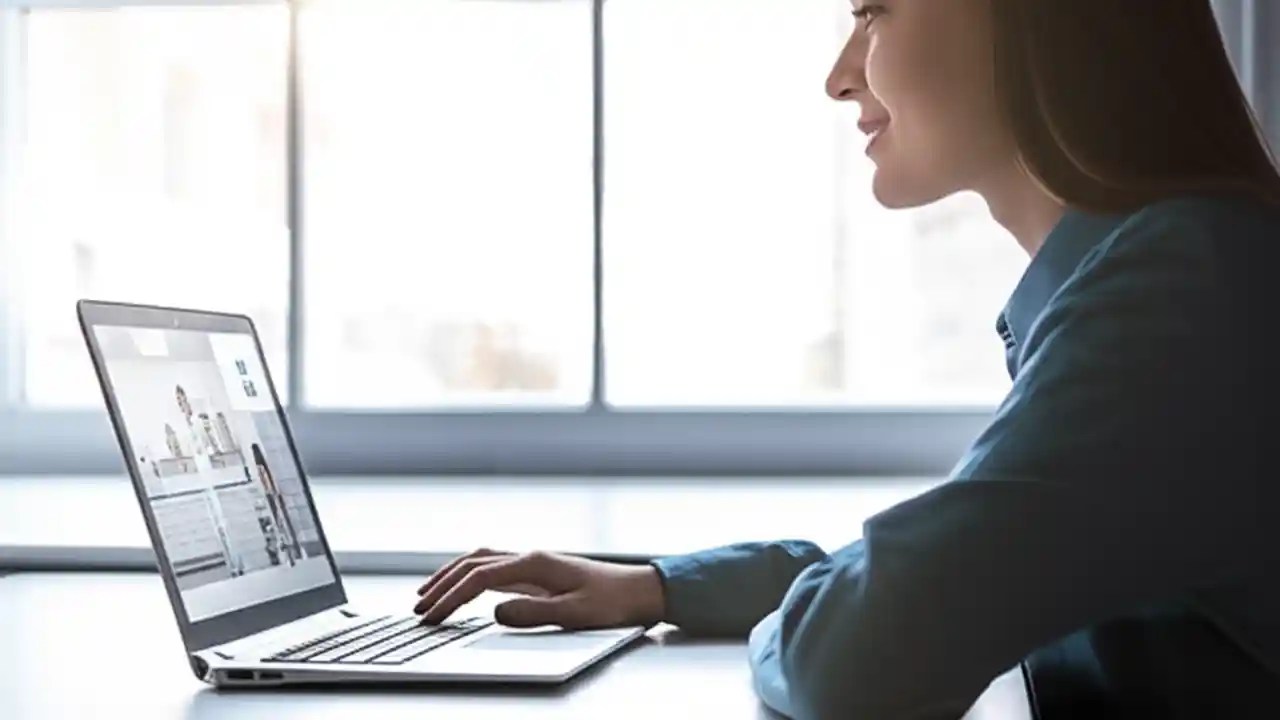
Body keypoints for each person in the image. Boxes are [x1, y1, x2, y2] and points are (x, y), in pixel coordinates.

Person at [412, 1, 1280, 717]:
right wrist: (662, 588)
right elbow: (953, 571)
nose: (840, 72)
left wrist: (819, 618)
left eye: (874, 12)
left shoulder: (1180, 297)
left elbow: (857, 661)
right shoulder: (1179, 270)